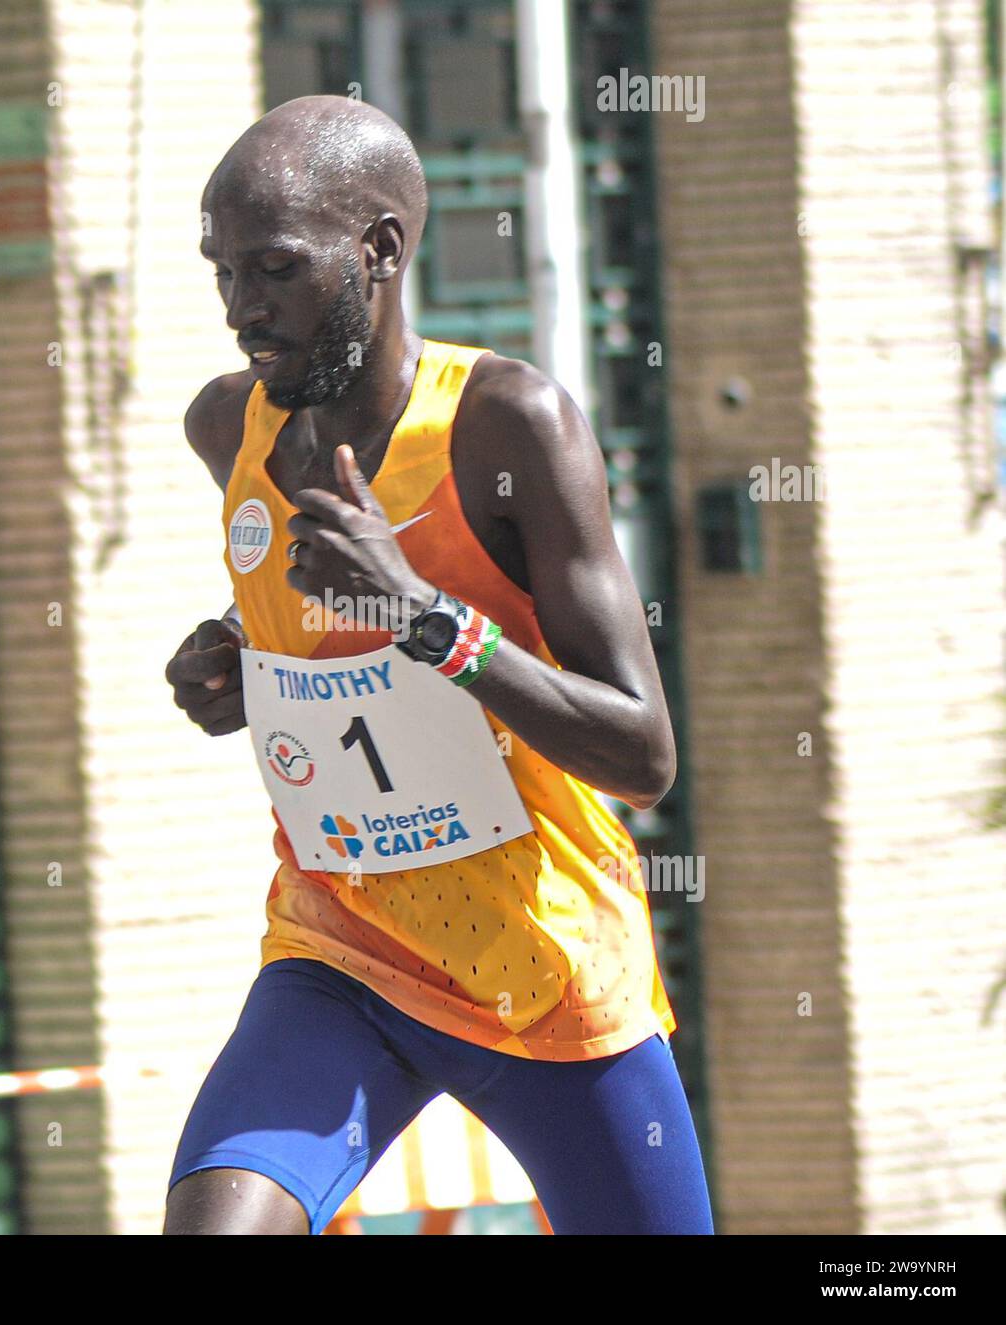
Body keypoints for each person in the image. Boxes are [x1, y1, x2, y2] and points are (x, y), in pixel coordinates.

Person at [162, 95, 713, 1235]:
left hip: (544, 966)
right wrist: (236, 655)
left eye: (274, 267)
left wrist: (422, 617)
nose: (240, 307)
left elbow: (641, 750)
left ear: (380, 248)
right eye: (221, 271)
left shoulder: (508, 427)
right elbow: (311, 617)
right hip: (343, 950)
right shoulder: (231, 428)